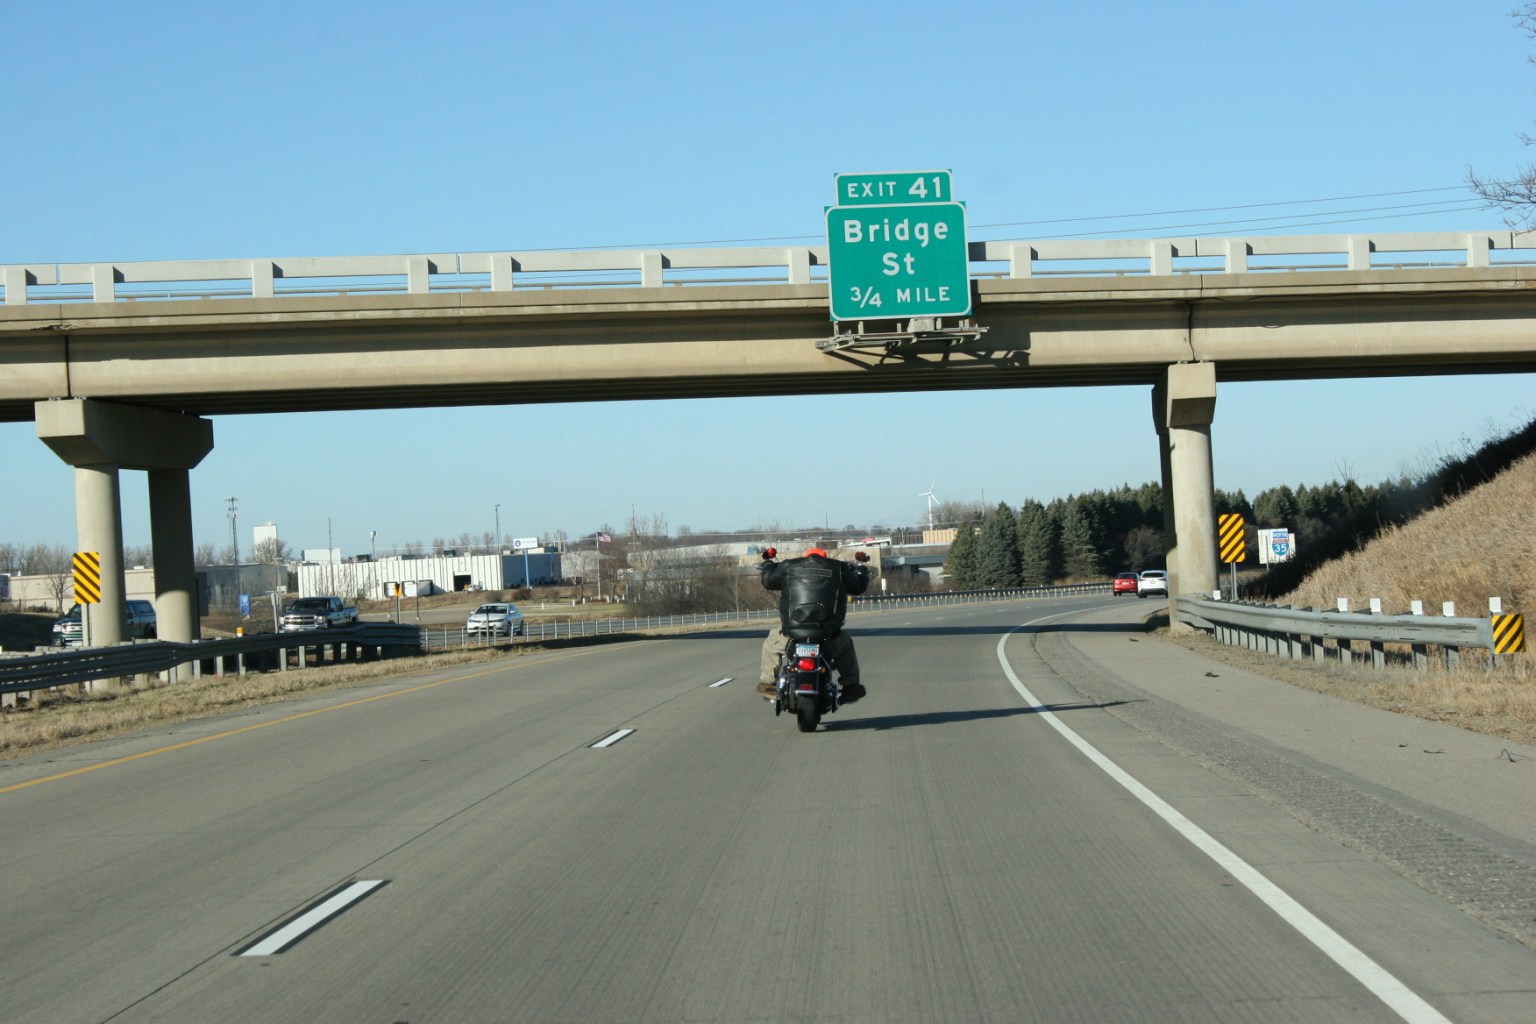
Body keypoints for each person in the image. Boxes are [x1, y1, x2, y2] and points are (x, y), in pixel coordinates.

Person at [757, 545, 871, 703]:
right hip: (827, 633)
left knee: (771, 643)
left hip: (792, 632)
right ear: (824, 558)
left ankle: (769, 683)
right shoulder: (839, 568)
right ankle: (850, 686)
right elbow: (858, 587)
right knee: (846, 645)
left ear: (806, 556)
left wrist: (768, 564)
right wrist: (861, 571)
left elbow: (768, 581)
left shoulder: (788, 566)